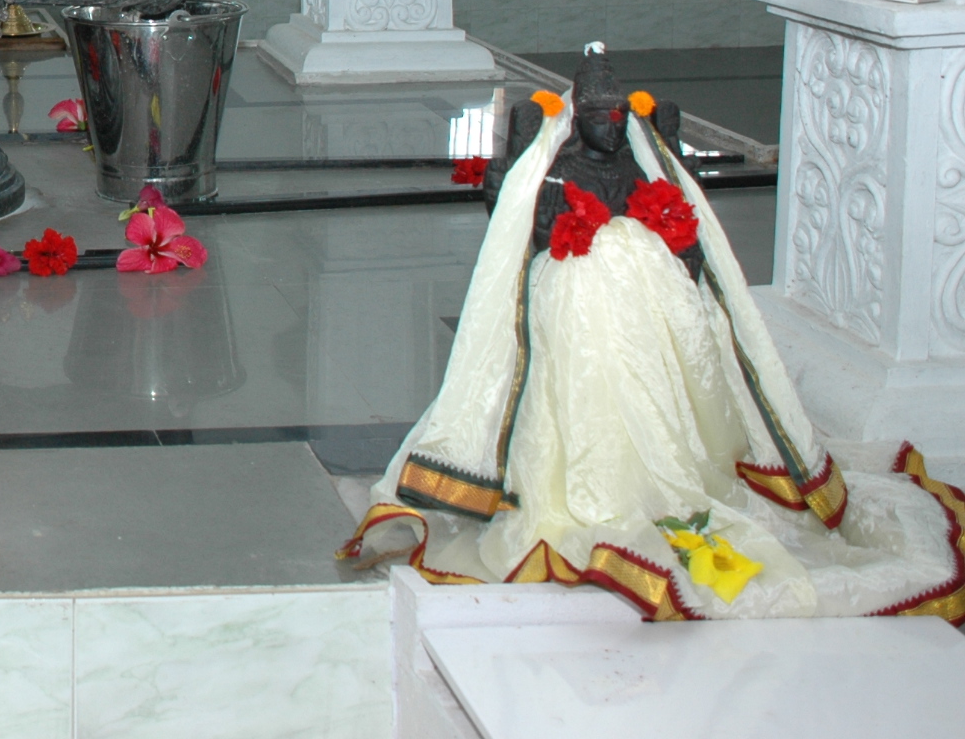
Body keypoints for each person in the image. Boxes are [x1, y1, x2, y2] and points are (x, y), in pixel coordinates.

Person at [347, 44, 965, 620]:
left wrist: (675, 268)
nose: (612, 128)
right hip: (580, 307)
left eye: (619, 118)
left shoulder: (637, 165)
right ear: (579, 119)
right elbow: (526, 233)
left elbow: (682, 233)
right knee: (583, 348)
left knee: (666, 361)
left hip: (648, 313)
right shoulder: (558, 169)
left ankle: (677, 468)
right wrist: (514, 170)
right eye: (600, 118)